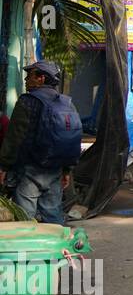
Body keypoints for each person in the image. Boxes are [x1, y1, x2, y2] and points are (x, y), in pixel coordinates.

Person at [0, 61, 82, 223]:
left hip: (30, 170)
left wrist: (3, 166)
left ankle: (27, 248)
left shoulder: (28, 101)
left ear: (41, 78)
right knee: (53, 215)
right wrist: (67, 170)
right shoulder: (67, 103)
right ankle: (59, 247)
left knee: (25, 218)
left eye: (30, 76)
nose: (25, 80)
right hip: (54, 170)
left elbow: (14, 138)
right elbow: (72, 139)